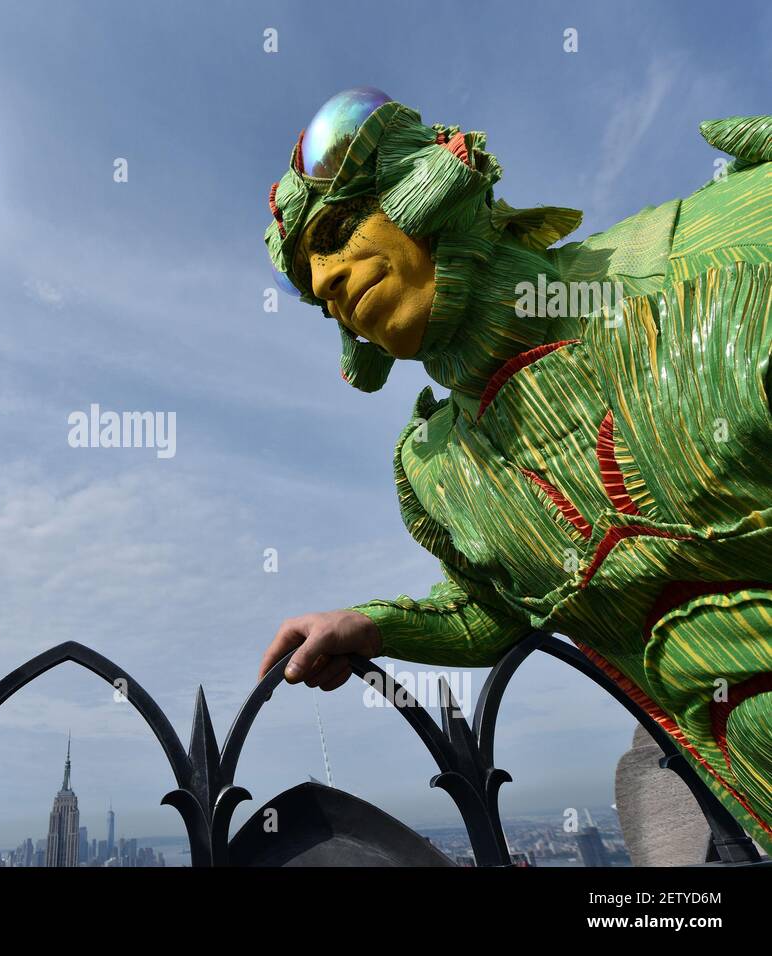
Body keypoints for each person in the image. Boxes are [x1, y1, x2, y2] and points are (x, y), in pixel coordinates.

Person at [257, 87, 772, 852]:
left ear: (431, 178)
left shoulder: (713, 252)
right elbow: (502, 605)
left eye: (337, 230)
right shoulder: (443, 472)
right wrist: (373, 625)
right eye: (311, 282)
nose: (330, 282)